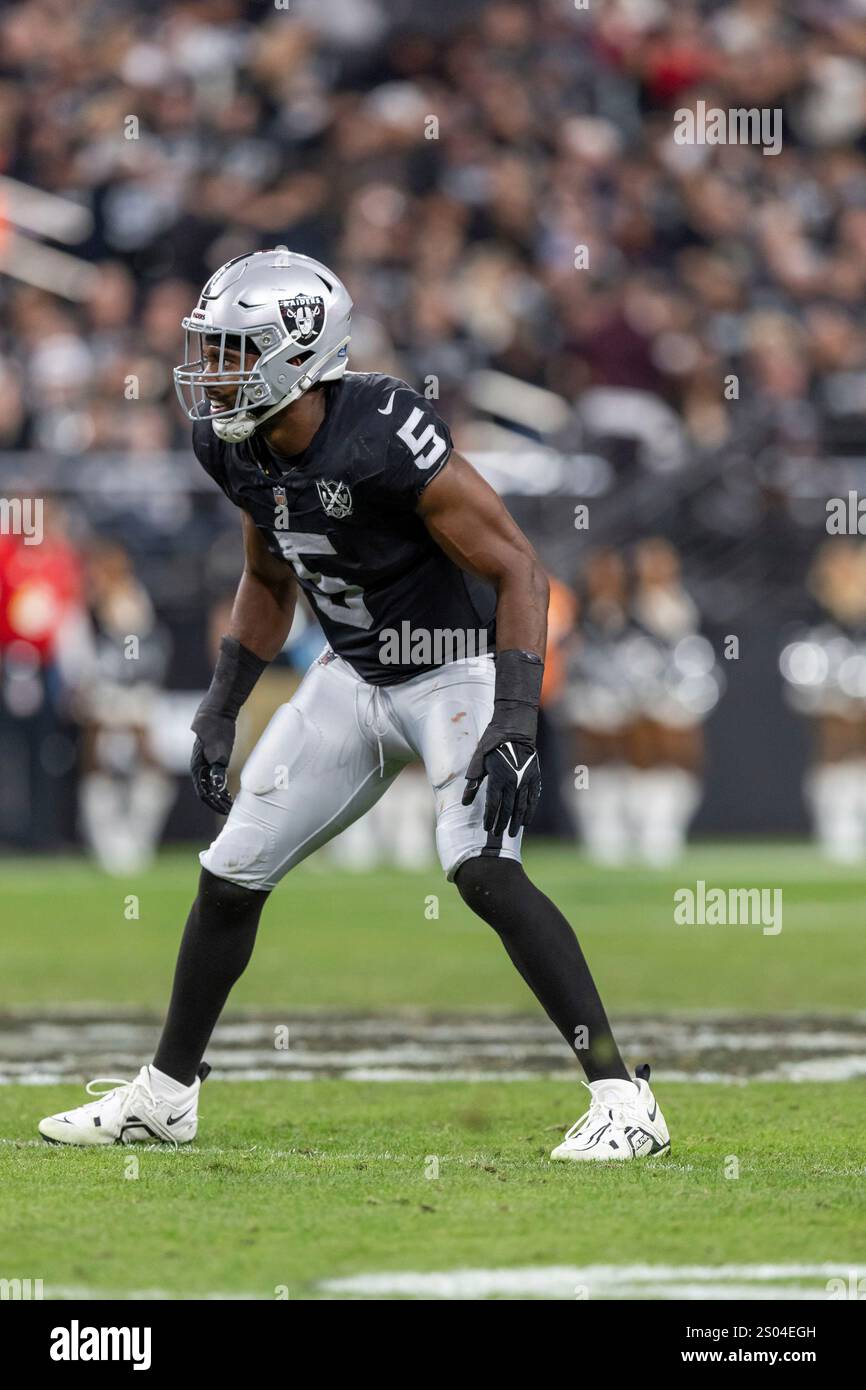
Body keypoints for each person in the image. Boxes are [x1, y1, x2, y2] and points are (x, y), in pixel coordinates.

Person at [39, 249, 669, 1161]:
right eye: (208, 349)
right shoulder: (230, 437)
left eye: (231, 350)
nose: (211, 372)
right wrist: (223, 706)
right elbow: (266, 575)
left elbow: (519, 566)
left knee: (483, 869)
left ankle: (624, 1098)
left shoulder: (380, 431)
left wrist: (517, 716)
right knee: (230, 873)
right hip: (352, 673)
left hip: (454, 671)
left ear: (299, 355)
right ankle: (164, 1098)